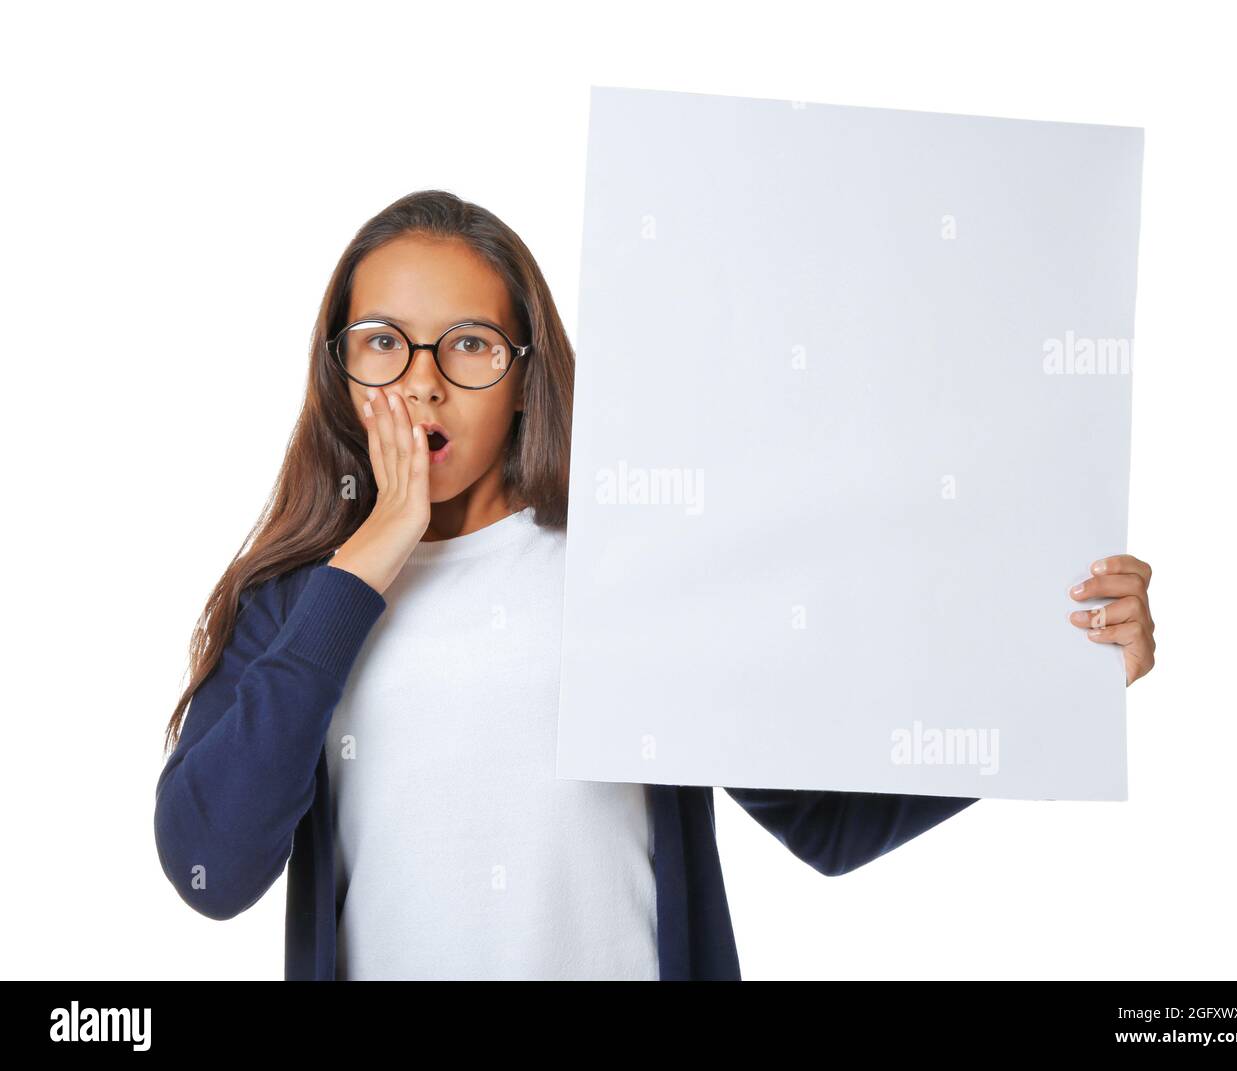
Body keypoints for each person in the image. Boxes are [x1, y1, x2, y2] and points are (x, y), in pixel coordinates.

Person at [153, 189, 1156, 980]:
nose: (423, 381)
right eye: (383, 341)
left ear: (525, 374)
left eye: (469, 345)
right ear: (339, 371)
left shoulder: (630, 566)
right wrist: (367, 558)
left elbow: (830, 820)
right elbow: (212, 866)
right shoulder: (301, 604)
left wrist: (1058, 680)